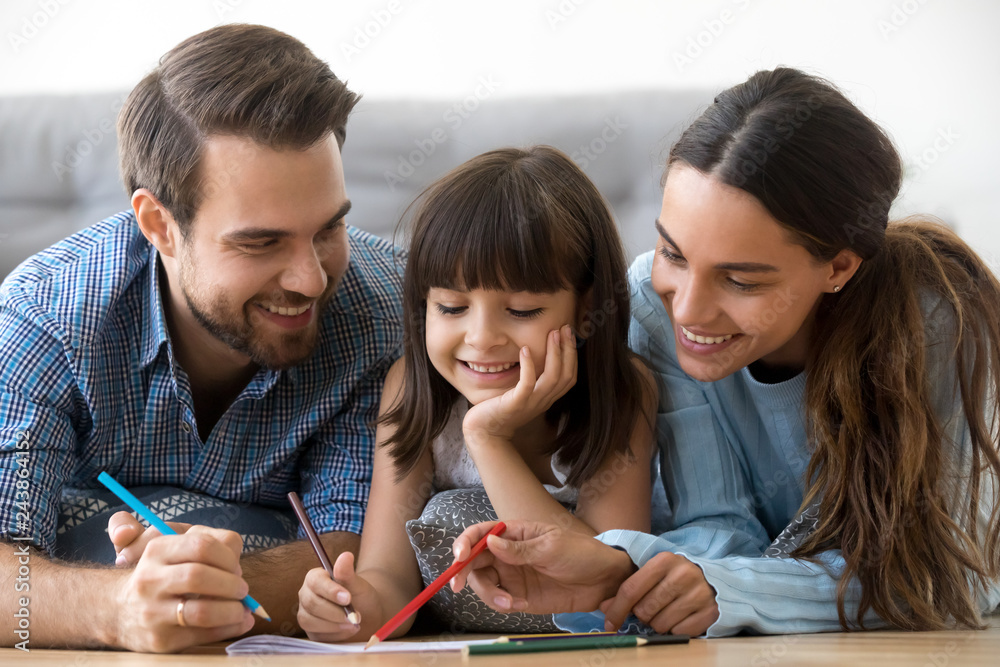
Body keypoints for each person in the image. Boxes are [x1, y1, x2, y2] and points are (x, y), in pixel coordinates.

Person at [449, 67, 1000, 637]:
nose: (687, 311)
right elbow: (715, 529)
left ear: (838, 266)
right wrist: (631, 572)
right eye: (673, 254)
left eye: (740, 281)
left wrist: (727, 589)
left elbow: (954, 576)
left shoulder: (939, 323)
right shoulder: (651, 304)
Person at [0, 25, 403, 652]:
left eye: (329, 229)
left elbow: (351, 555)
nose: (311, 279)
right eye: (261, 242)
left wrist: (199, 584)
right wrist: (119, 607)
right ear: (159, 224)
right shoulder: (45, 317)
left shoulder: (383, 314)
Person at [295, 145, 657, 641]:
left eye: (522, 311)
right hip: (453, 634)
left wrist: (489, 438)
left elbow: (600, 576)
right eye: (451, 307)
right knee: (448, 520)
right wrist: (356, 608)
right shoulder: (412, 387)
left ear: (586, 308)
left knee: (455, 515)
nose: (482, 338)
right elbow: (389, 577)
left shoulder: (623, 392)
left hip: (576, 632)